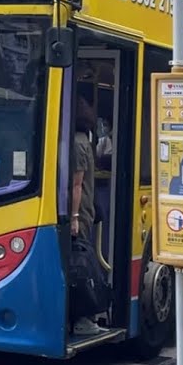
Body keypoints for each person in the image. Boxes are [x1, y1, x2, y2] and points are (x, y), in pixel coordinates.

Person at [68, 89, 105, 336]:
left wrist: (74, 217)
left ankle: (84, 317)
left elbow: (76, 185)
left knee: (81, 264)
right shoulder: (83, 141)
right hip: (84, 213)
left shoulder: (77, 143)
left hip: (80, 215)